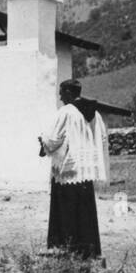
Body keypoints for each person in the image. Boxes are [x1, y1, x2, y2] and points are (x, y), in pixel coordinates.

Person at [39, 78, 110, 258]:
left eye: (62, 92)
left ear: (70, 93)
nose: (60, 96)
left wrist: (42, 141)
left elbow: (53, 139)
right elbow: (102, 139)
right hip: (85, 172)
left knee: (65, 211)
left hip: (67, 170)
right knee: (85, 211)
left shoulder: (66, 112)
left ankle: (65, 248)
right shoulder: (94, 113)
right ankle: (88, 249)